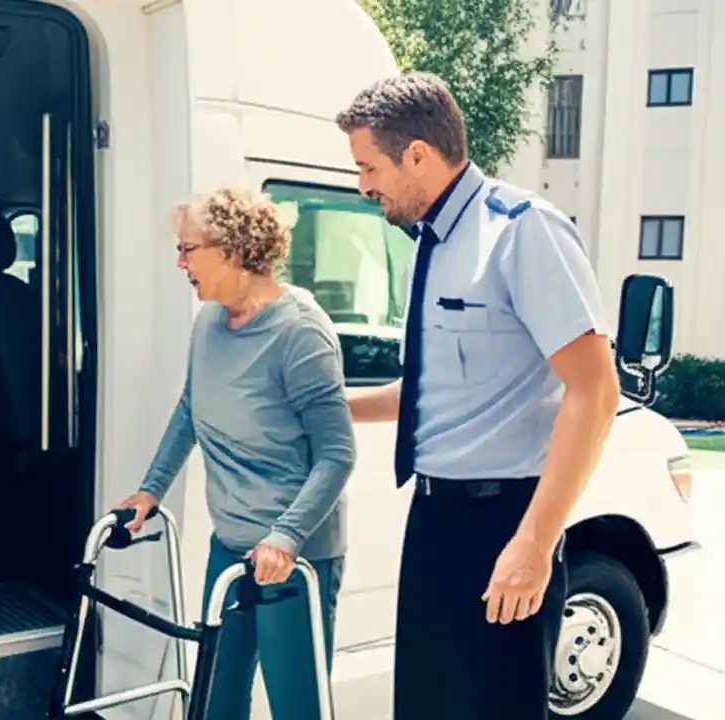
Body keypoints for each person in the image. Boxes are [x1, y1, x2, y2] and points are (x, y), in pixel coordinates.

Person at [333, 72, 621, 719]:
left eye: (368, 167)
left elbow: (595, 390)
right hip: (435, 520)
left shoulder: (523, 232)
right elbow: (432, 389)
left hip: (505, 523)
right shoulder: (433, 245)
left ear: (417, 155)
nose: (363, 186)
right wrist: (335, 406)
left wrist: (533, 544)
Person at [115, 187, 355, 720]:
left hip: (295, 559)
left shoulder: (300, 332)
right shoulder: (208, 323)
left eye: (187, 249)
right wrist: (151, 489)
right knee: (215, 701)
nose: (179, 262)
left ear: (233, 249)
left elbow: (337, 453)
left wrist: (286, 538)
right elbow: (189, 411)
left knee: (298, 708)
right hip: (231, 547)